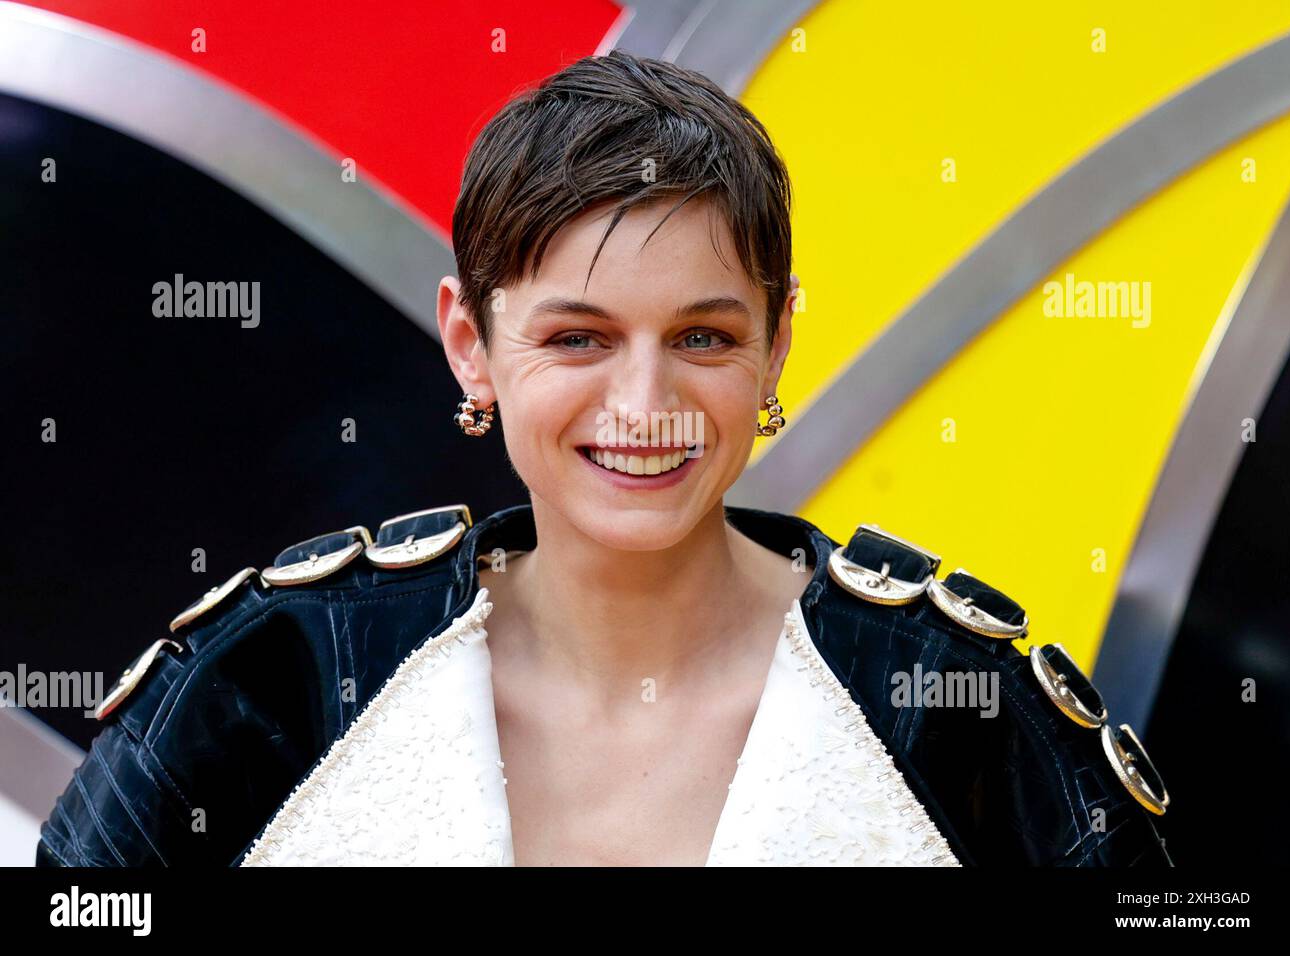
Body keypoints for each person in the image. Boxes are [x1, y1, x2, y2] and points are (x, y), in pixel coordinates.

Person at [35, 49, 1171, 867]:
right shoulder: (270, 678)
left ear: (777, 343)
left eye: (703, 337)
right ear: (470, 343)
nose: (644, 404)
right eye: (579, 338)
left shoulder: (963, 712)